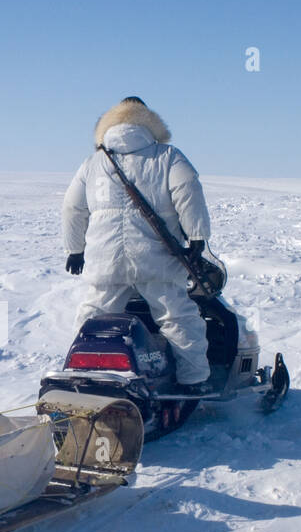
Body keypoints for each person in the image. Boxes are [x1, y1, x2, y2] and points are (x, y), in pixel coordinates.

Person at [61, 96, 213, 393]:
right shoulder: (167, 156)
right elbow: (188, 190)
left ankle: (83, 376)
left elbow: (72, 208)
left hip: (106, 261)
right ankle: (194, 381)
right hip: (155, 259)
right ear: (148, 121)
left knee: (93, 317)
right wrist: (197, 236)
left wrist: (75, 249)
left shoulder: (93, 163)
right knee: (177, 318)